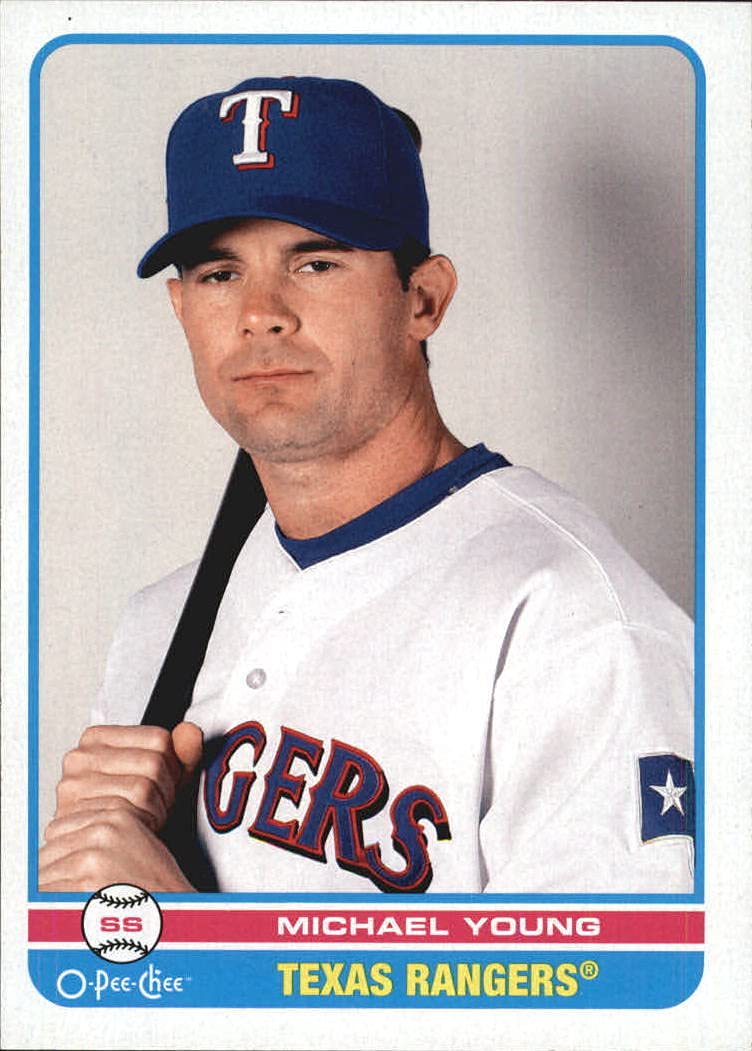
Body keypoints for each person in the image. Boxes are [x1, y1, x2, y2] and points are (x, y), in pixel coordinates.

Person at [39, 75, 694, 895]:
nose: (261, 312)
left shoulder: (571, 622)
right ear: (180, 308)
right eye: (219, 274)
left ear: (423, 299)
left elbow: (609, 978)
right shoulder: (156, 627)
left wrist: (176, 935)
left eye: (316, 262)